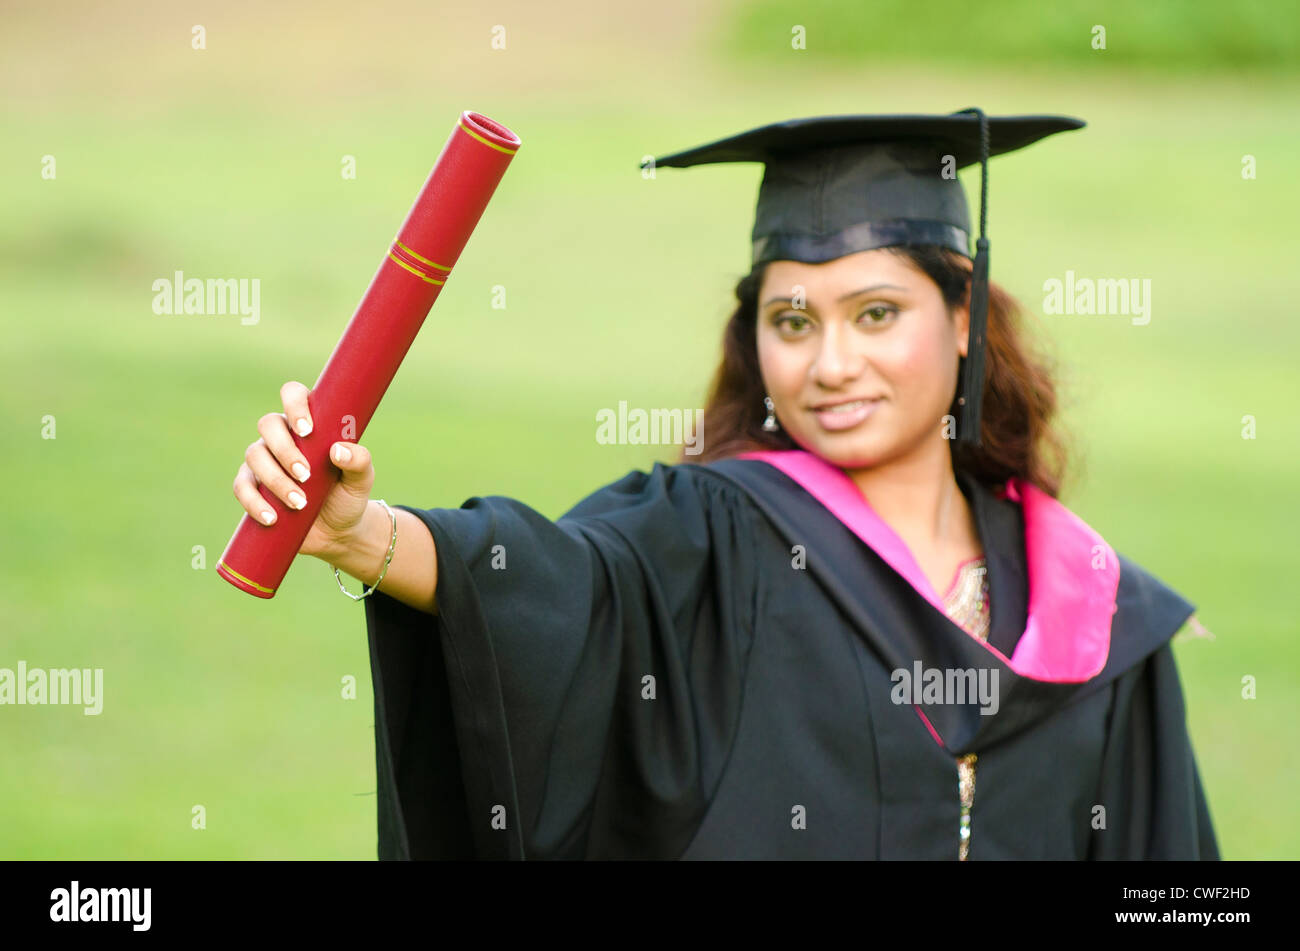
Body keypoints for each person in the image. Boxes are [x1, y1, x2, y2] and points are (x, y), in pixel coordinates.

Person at [231, 109, 1219, 860]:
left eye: (875, 314)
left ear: (962, 318)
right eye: (792, 321)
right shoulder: (712, 535)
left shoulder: (1092, 611)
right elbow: (567, 585)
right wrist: (365, 537)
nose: (829, 364)